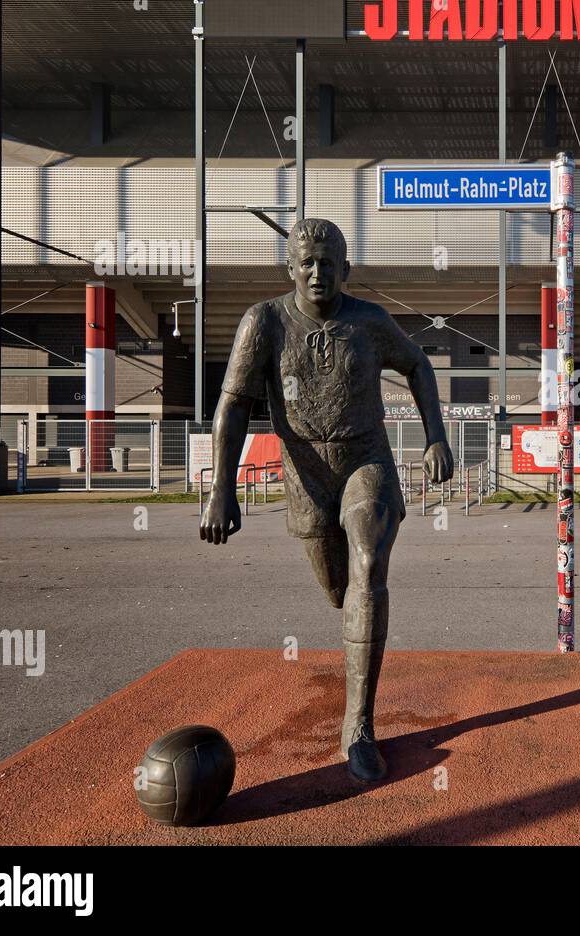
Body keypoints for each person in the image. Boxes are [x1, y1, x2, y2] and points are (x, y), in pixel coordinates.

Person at [198, 217, 453, 782]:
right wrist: (221, 488)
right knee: (339, 589)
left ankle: (358, 726)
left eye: (329, 262)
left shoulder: (369, 321)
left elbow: (418, 364)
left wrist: (436, 435)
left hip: (366, 459)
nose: (318, 272)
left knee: (369, 566)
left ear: (346, 268)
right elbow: (234, 404)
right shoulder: (262, 322)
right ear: (290, 267)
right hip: (306, 473)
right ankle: (353, 620)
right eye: (307, 262)